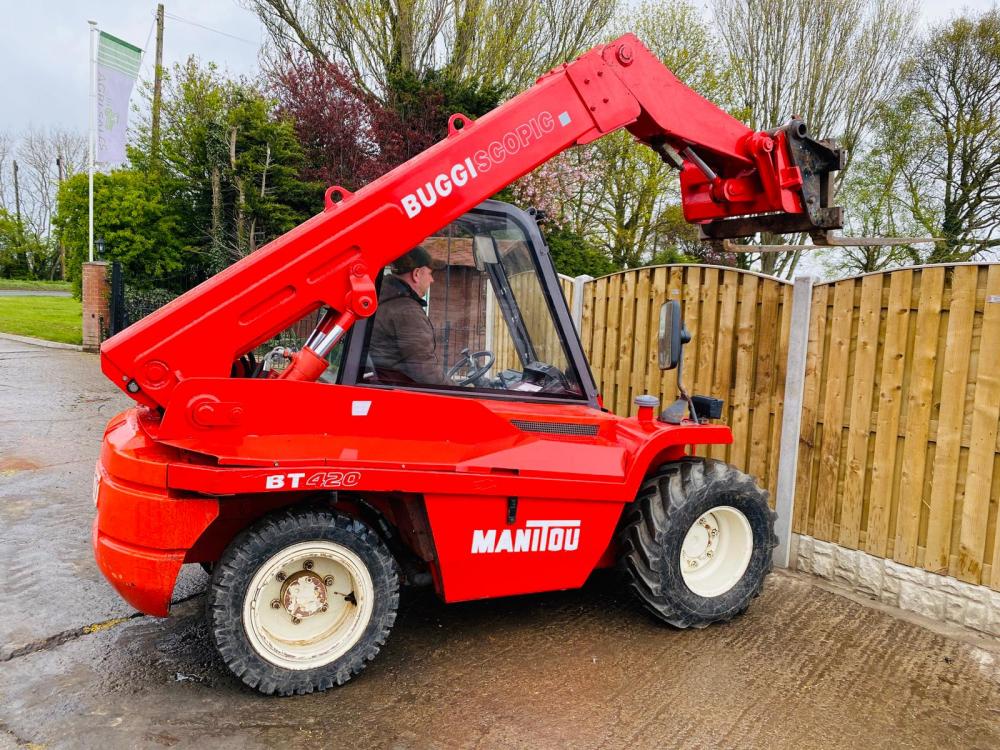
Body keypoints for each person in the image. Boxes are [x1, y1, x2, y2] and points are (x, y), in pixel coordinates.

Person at [369, 245, 447, 385]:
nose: (432, 280)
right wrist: (462, 392)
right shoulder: (406, 311)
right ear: (416, 274)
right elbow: (426, 371)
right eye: (430, 274)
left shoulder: (384, 301)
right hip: (399, 391)